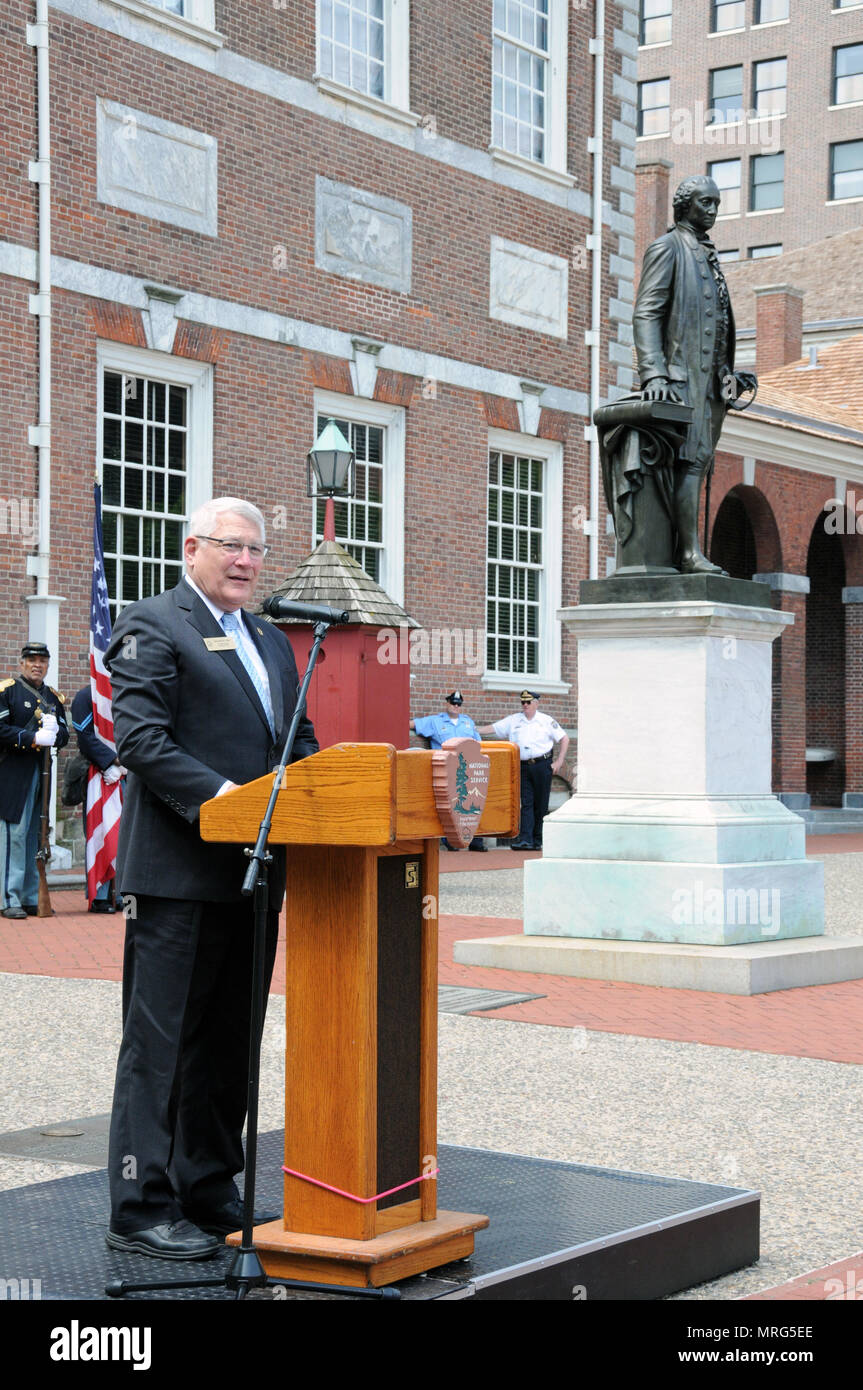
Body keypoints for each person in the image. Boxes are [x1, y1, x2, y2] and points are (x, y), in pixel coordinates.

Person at [103, 497, 318, 1261]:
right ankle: (140, 1203)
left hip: (256, 875)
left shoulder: (269, 637)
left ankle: (208, 1183)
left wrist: (328, 793)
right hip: (179, 871)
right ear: (192, 546)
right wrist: (225, 802)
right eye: (231, 546)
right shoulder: (152, 624)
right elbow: (140, 740)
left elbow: (299, 743)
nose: (246, 562)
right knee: (161, 1042)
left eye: (256, 551)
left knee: (231, 1038)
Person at [633, 173, 757, 574]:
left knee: (699, 462)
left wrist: (731, 375)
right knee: (688, 462)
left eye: (717, 204)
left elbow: (714, 326)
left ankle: (688, 552)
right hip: (679, 381)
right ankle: (686, 555)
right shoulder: (667, 248)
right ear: (684, 205)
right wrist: (654, 374)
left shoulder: (707, 255)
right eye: (706, 203)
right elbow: (647, 312)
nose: (713, 211)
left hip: (710, 386)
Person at [0, 642, 70, 919]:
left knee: (35, 834)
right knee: (14, 835)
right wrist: (30, 738)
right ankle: (9, 897)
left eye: (42, 660)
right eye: (31, 660)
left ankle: (30, 896)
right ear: (21, 664)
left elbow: (64, 734)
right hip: (13, 773)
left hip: (41, 772)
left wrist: (55, 733)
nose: (37, 665)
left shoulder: (52, 697)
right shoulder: (7, 692)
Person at [479, 692, 569, 850]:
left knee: (540, 804)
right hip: (523, 766)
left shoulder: (546, 720)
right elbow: (493, 728)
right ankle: (526, 840)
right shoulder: (514, 720)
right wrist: (470, 730)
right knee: (526, 802)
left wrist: (559, 761)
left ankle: (538, 840)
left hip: (542, 765)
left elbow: (564, 738)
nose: (525, 705)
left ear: (536, 704)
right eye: (523, 703)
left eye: (528, 702)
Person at [70, 683, 125, 914]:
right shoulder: (85, 696)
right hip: (98, 773)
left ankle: (121, 893)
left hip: (127, 771)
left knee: (123, 834)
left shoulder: (126, 692)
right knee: (99, 831)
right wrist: (112, 760)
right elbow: (85, 737)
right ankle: (99, 896)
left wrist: (127, 761)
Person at [410, 690, 488, 850]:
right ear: (447, 703)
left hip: (469, 768)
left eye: (459, 704)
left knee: (474, 801)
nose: (456, 706)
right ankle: (451, 840)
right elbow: (411, 724)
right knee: (449, 804)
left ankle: (475, 840)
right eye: (453, 703)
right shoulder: (435, 721)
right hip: (447, 769)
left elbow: (479, 745)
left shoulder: (467, 722)